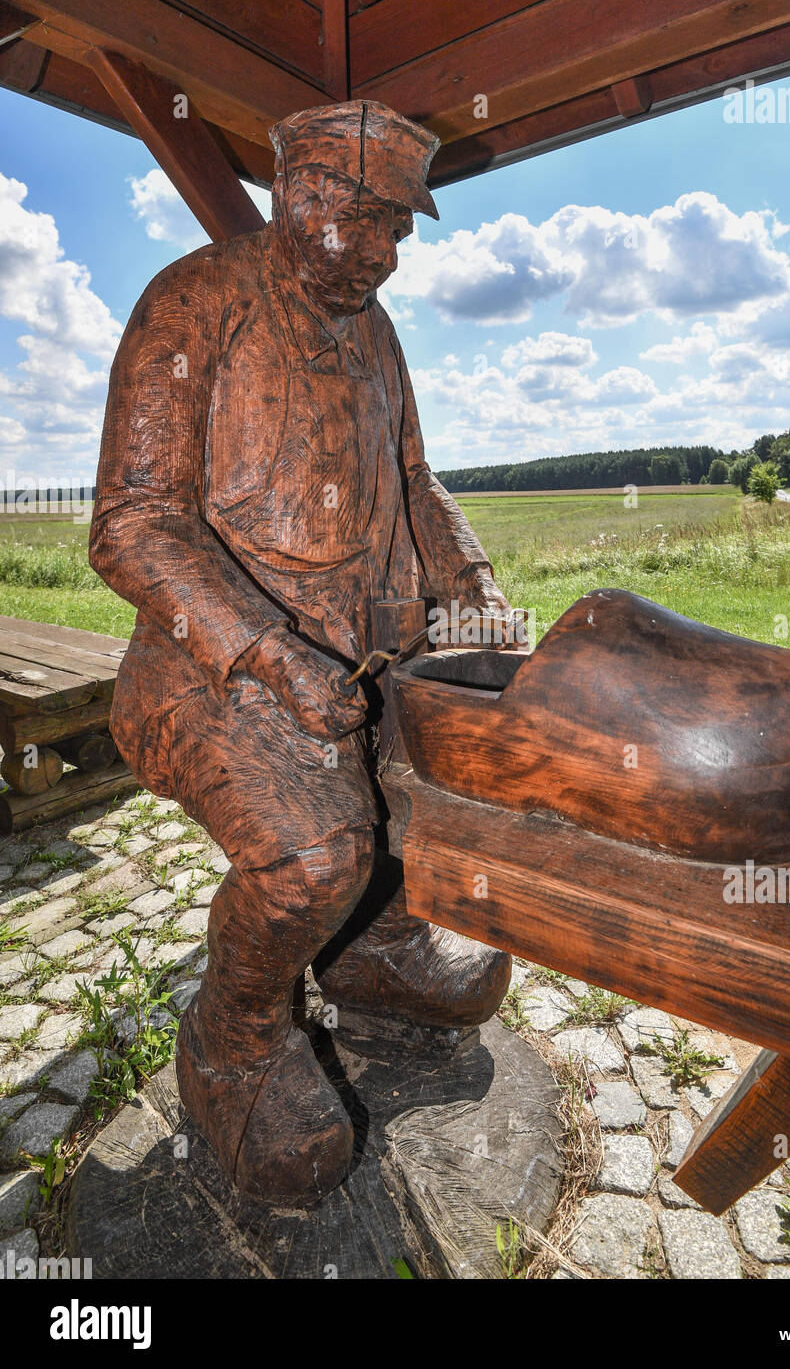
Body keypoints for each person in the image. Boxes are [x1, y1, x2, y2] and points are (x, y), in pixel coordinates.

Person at [89, 101, 515, 1206]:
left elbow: (417, 484)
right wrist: (274, 657)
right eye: (363, 223)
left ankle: (371, 947)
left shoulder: (374, 330)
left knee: (445, 790)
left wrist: (470, 588)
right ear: (301, 195)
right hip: (210, 674)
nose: (380, 257)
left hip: (362, 659)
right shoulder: (194, 303)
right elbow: (132, 523)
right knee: (313, 857)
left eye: (397, 235)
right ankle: (232, 1037)